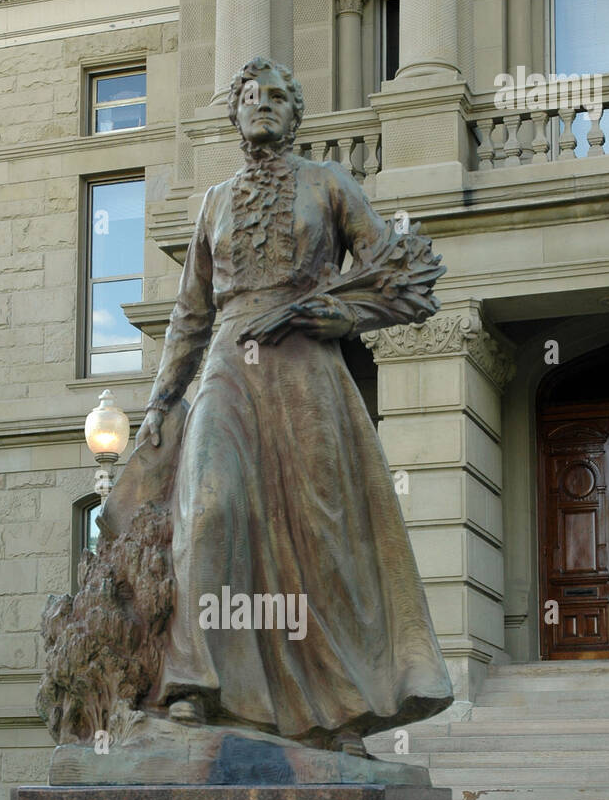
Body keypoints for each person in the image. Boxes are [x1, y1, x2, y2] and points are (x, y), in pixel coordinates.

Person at [137, 56, 453, 754]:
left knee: (323, 537)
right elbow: (188, 315)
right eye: (252, 96)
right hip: (228, 360)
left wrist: (341, 317)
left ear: (295, 113)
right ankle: (195, 684)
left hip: (307, 367)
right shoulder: (213, 201)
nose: (265, 105)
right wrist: (160, 403)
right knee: (210, 507)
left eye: (279, 96)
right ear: (237, 112)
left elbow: (404, 279)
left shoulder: (330, 184)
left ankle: (340, 708)